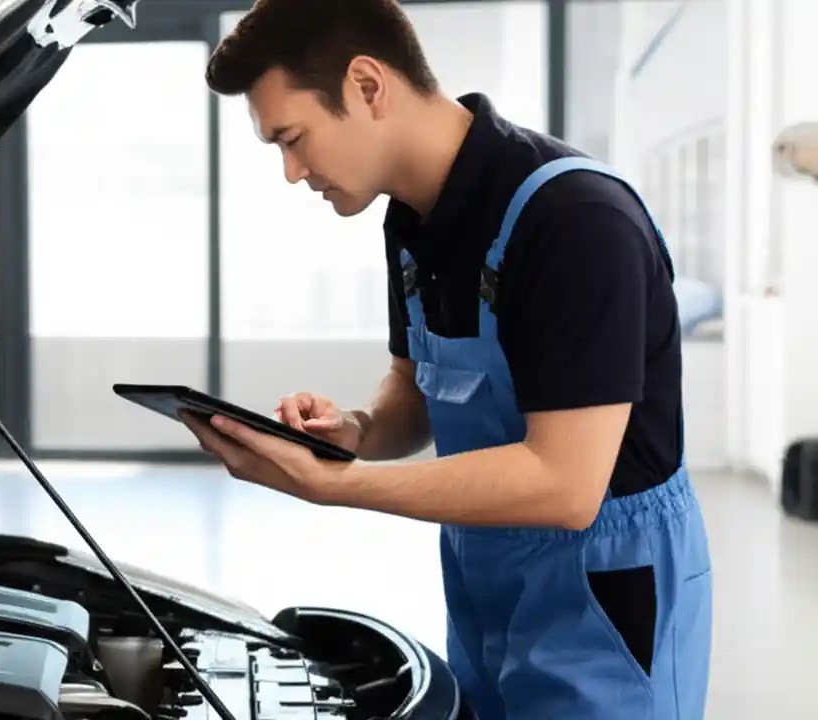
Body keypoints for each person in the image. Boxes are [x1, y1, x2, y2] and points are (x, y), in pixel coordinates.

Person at [180, 1, 713, 718]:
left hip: (605, 590)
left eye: (293, 138)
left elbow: (565, 485)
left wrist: (338, 486)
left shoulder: (577, 223)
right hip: (486, 578)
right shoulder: (410, 216)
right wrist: (359, 430)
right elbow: (416, 389)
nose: (291, 171)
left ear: (368, 85)